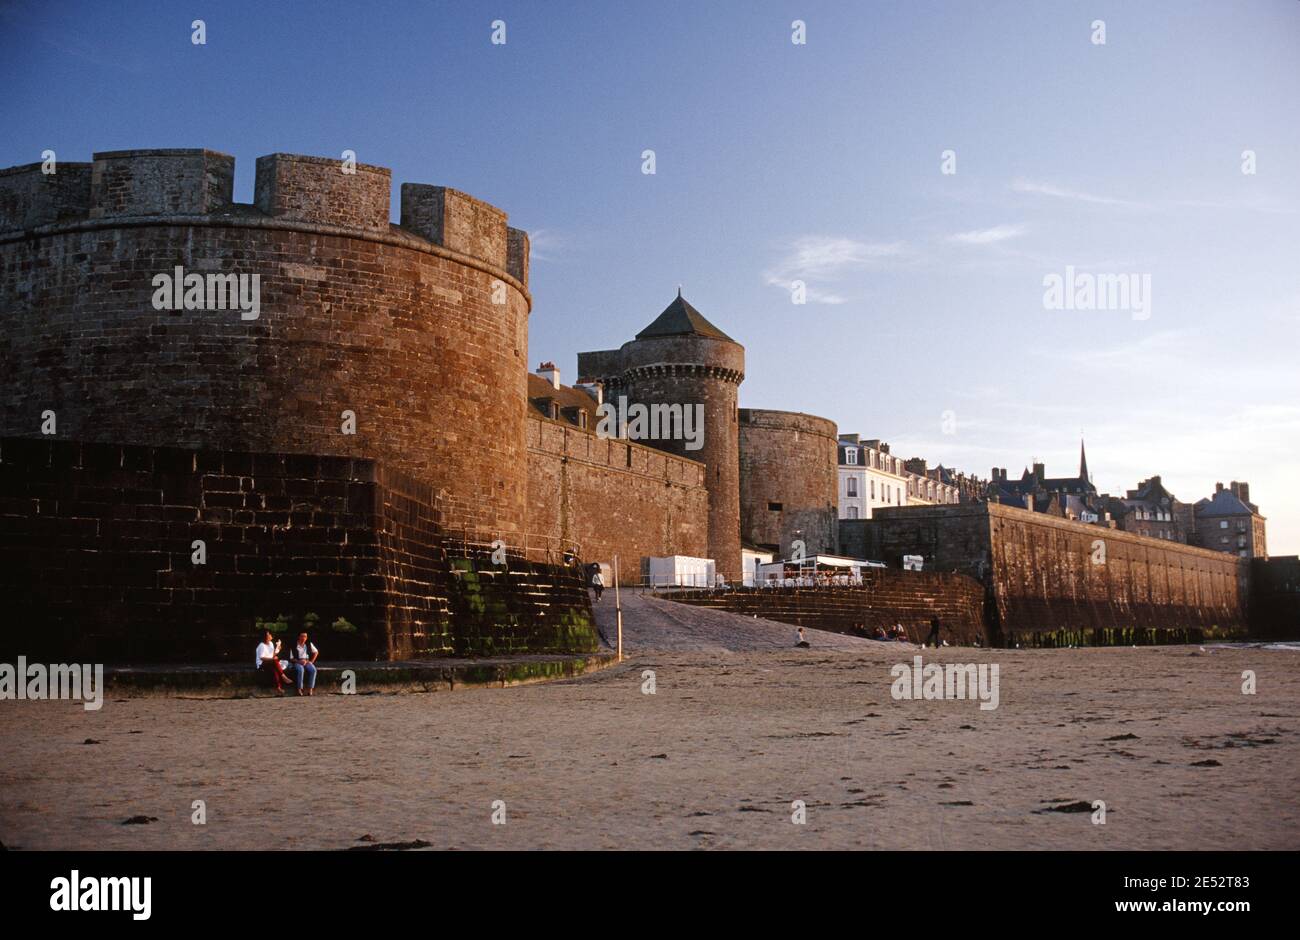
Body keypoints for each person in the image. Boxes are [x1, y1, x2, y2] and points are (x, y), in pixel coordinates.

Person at [287, 631, 319, 696]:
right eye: (302, 636)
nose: (303, 638)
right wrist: (299, 661)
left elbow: (316, 652)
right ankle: (299, 689)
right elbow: (291, 658)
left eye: (305, 636)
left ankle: (310, 689)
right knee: (300, 669)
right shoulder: (294, 645)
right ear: (299, 637)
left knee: (313, 670)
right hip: (297, 661)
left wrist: (311, 661)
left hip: (306, 661)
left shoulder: (308, 644)